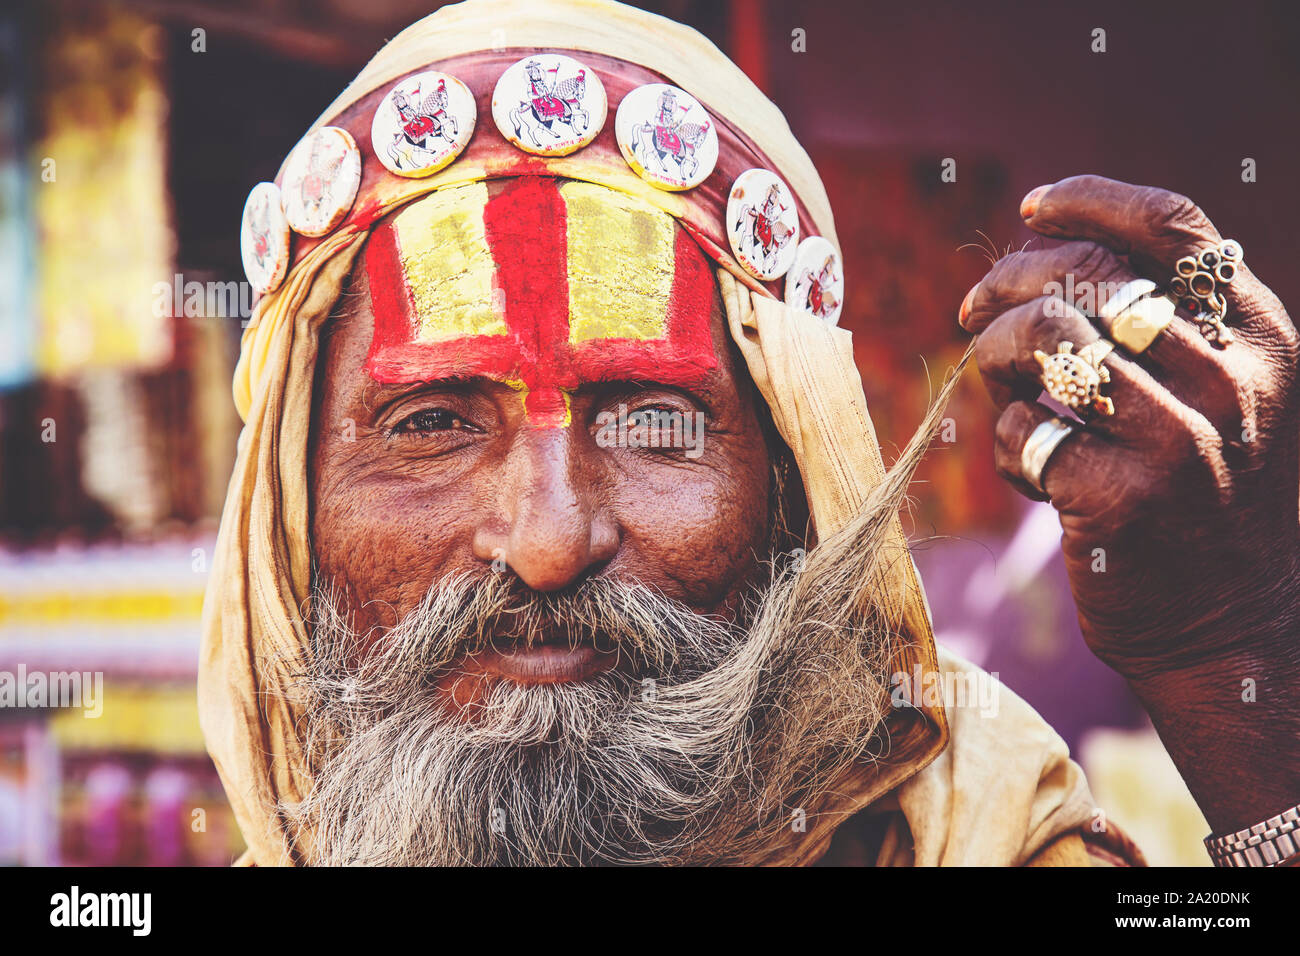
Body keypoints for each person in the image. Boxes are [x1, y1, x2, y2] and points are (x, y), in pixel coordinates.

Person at [202, 0, 1299, 867]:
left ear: (793, 483)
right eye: (432, 422)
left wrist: (1224, 652)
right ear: (288, 509)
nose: (545, 541)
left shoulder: (986, 843)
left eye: (657, 419)